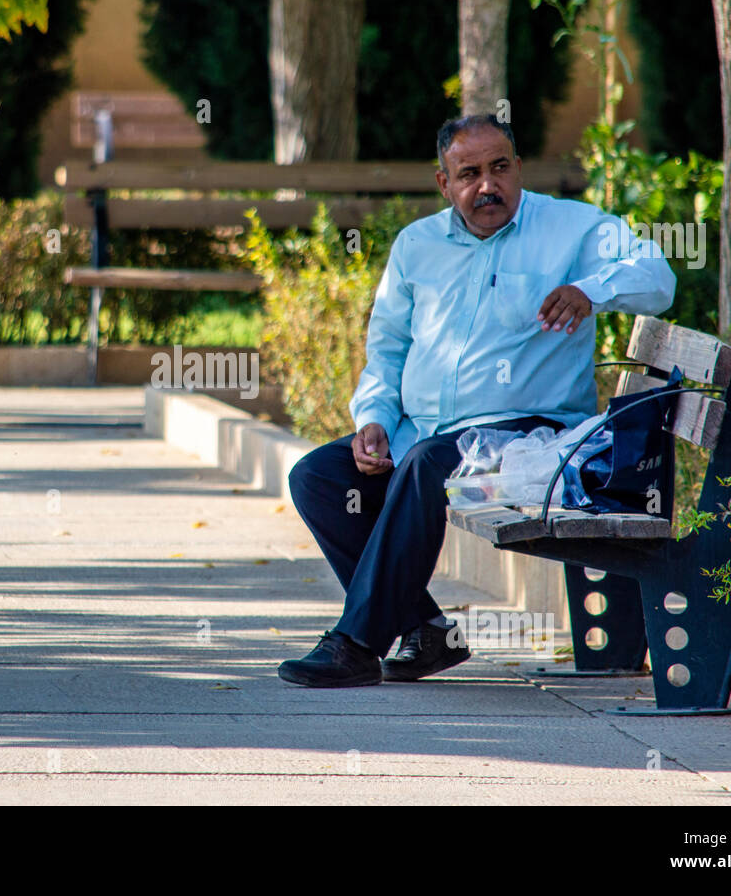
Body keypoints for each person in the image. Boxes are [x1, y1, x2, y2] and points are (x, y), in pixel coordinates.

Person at [278, 113, 677, 688]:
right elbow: (387, 350)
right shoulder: (417, 245)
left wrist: (588, 290)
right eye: (469, 173)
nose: (486, 185)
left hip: (524, 435)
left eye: (499, 168)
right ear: (444, 183)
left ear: (518, 169)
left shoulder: (574, 228)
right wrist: (374, 420)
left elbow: (658, 278)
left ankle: (357, 643)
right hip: (425, 432)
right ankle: (428, 630)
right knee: (318, 477)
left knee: (422, 466)